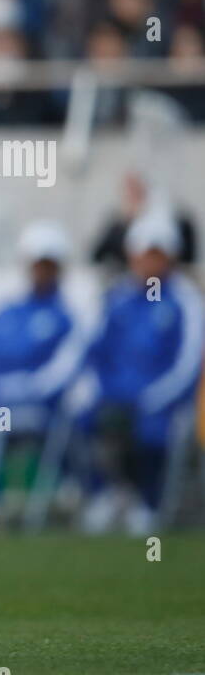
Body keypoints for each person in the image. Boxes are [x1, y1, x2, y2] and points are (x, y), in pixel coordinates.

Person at [80, 212, 203, 533]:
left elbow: (187, 366)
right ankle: (106, 493)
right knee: (81, 419)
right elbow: (94, 352)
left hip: (161, 403)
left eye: (156, 254)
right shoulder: (115, 298)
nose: (149, 262)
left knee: (149, 431)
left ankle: (147, 502)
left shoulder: (186, 302)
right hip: (113, 395)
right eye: (144, 253)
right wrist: (103, 390)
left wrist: (149, 399)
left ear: (171, 256)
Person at [0, 221, 87, 486]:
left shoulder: (67, 317)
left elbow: (61, 374)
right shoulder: (5, 312)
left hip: (34, 408)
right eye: (37, 263)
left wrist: (11, 390)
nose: (41, 271)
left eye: (48, 264)